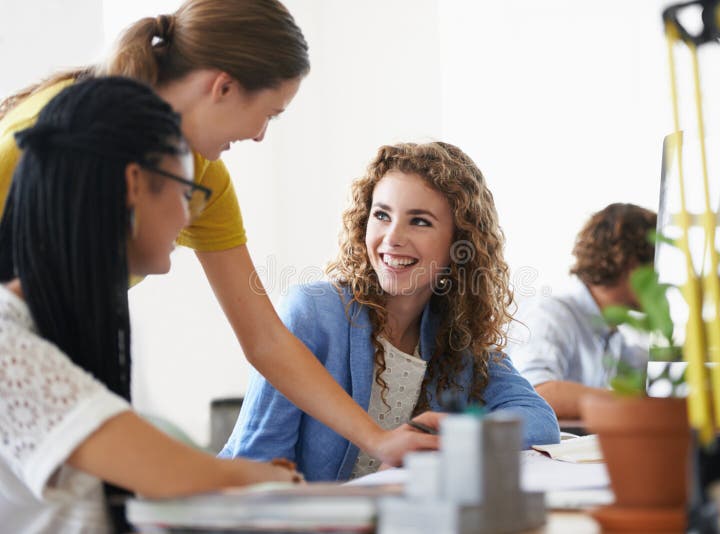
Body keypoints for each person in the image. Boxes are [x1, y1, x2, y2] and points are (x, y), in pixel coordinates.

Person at [0, 0, 437, 464]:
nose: (261, 135)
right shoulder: (45, 142)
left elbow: (265, 339)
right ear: (223, 87)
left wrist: (376, 439)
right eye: (269, 114)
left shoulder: (204, 175)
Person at [0, 77, 303, 534]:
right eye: (185, 193)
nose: (188, 217)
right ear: (134, 184)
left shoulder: (60, 330)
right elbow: (180, 477)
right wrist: (267, 477)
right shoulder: (8, 345)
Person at [220, 142, 560, 481]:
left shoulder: (457, 338)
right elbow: (258, 465)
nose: (393, 237)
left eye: (420, 222)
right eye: (382, 215)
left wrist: (451, 440)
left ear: (460, 245)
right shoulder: (312, 313)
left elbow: (540, 421)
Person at [506, 203, 657, 419]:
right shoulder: (551, 314)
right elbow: (536, 393)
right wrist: (641, 404)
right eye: (657, 266)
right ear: (632, 265)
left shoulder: (613, 335)